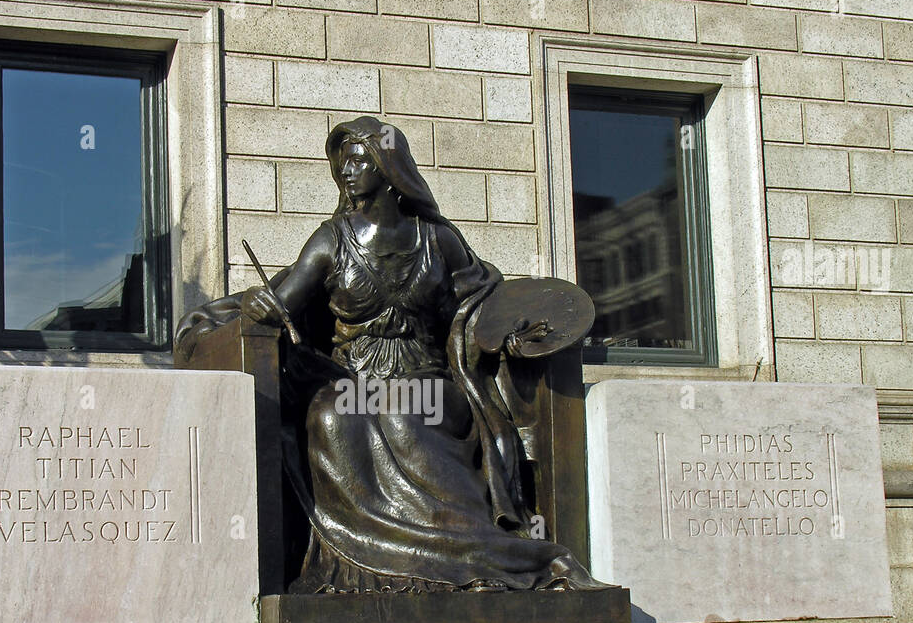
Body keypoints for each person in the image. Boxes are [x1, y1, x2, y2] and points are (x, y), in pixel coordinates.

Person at [175, 116, 604, 594]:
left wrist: (514, 334)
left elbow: (482, 300)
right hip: (351, 379)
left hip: (430, 379)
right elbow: (284, 302)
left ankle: (473, 554)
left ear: (386, 166)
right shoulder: (330, 239)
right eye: (341, 165)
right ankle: (365, 563)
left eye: (358, 161)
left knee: (403, 407)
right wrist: (260, 305)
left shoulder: (438, 239)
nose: (347, 173)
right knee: (331, 415)